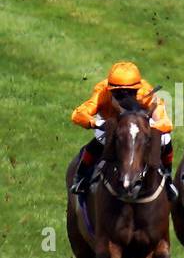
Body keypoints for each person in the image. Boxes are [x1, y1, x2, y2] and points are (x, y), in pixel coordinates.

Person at [69, 61, 175, 197]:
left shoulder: (146, 92)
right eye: (118, 94)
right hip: (111, 126)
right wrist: (96, 123)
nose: (124, 98)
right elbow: (77, 115)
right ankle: (81, 177)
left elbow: (166, 123)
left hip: (139, 128)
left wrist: (148, 127)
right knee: (99, 139)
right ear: (110, 90)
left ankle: (167, 177)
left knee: (165, 138)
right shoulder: (102, 91)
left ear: (138, 89)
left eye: (131, 93)